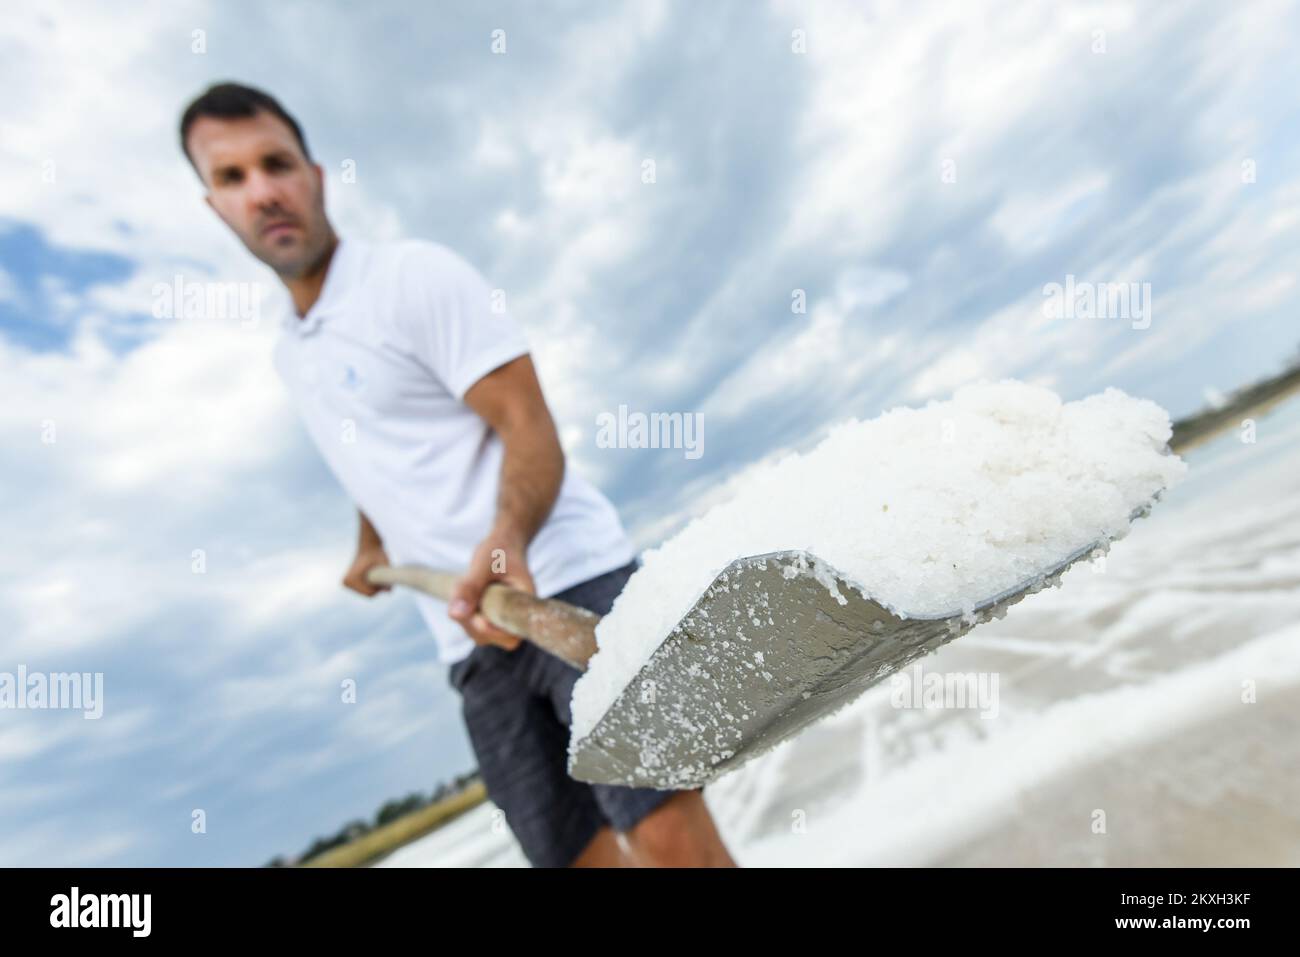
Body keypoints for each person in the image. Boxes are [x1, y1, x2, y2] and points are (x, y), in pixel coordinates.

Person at [178, 82, 735, 867]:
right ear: (215, 207)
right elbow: (370, 458)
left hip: (564, 581)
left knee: (670, 843)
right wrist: (367, 543)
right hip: (466, 645)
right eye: (232, 178)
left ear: (316, 175)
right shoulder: (290, 351)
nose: (262, 190)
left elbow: (529, 426)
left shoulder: (410, 279)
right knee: (575, 857)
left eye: (276, 163)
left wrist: (507, 537)